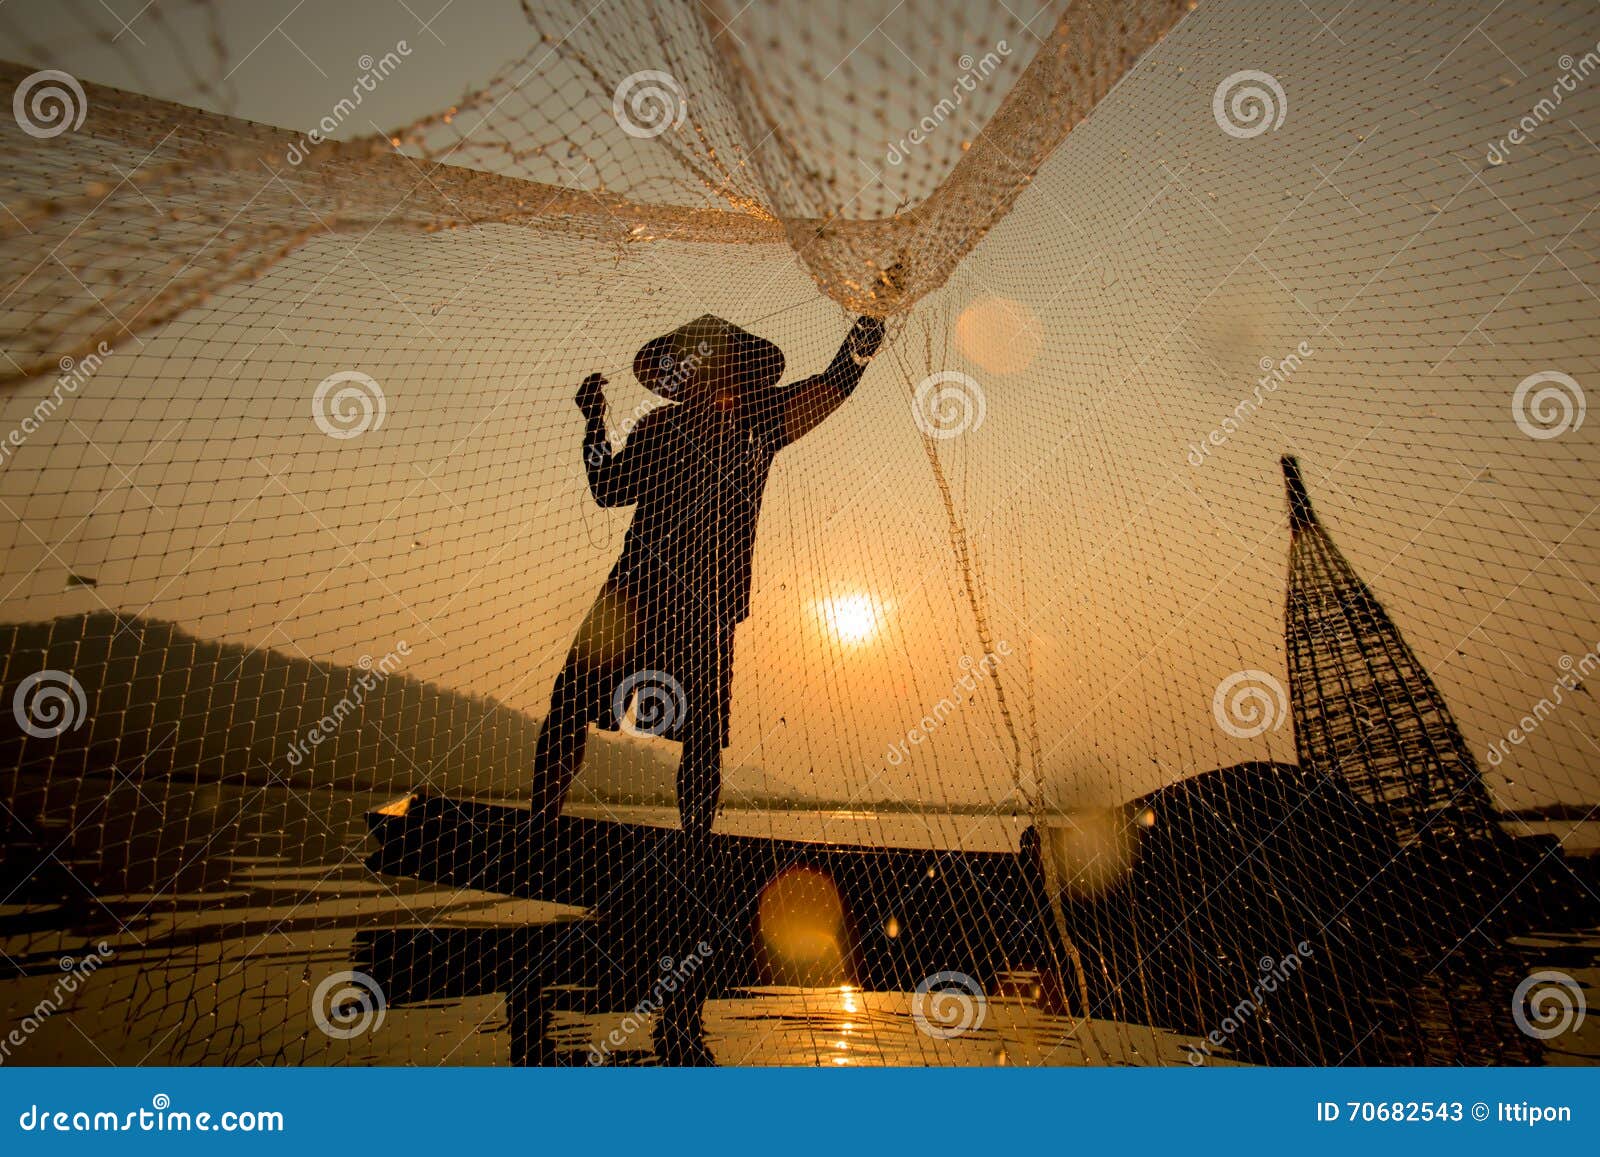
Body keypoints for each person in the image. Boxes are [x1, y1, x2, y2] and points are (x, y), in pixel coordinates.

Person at [532, 299, 892, 840]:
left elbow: (836, 382)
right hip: (640, 591)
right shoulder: (662, 427)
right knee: (572, 703)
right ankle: (542, 828)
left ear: (734, 369)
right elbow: (608, 487)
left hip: (696, 599)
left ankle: (694, 844)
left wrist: (872, 320)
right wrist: (594, 422)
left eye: (712, 365)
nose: (700, 376)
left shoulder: (761, 419)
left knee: (697, 730)